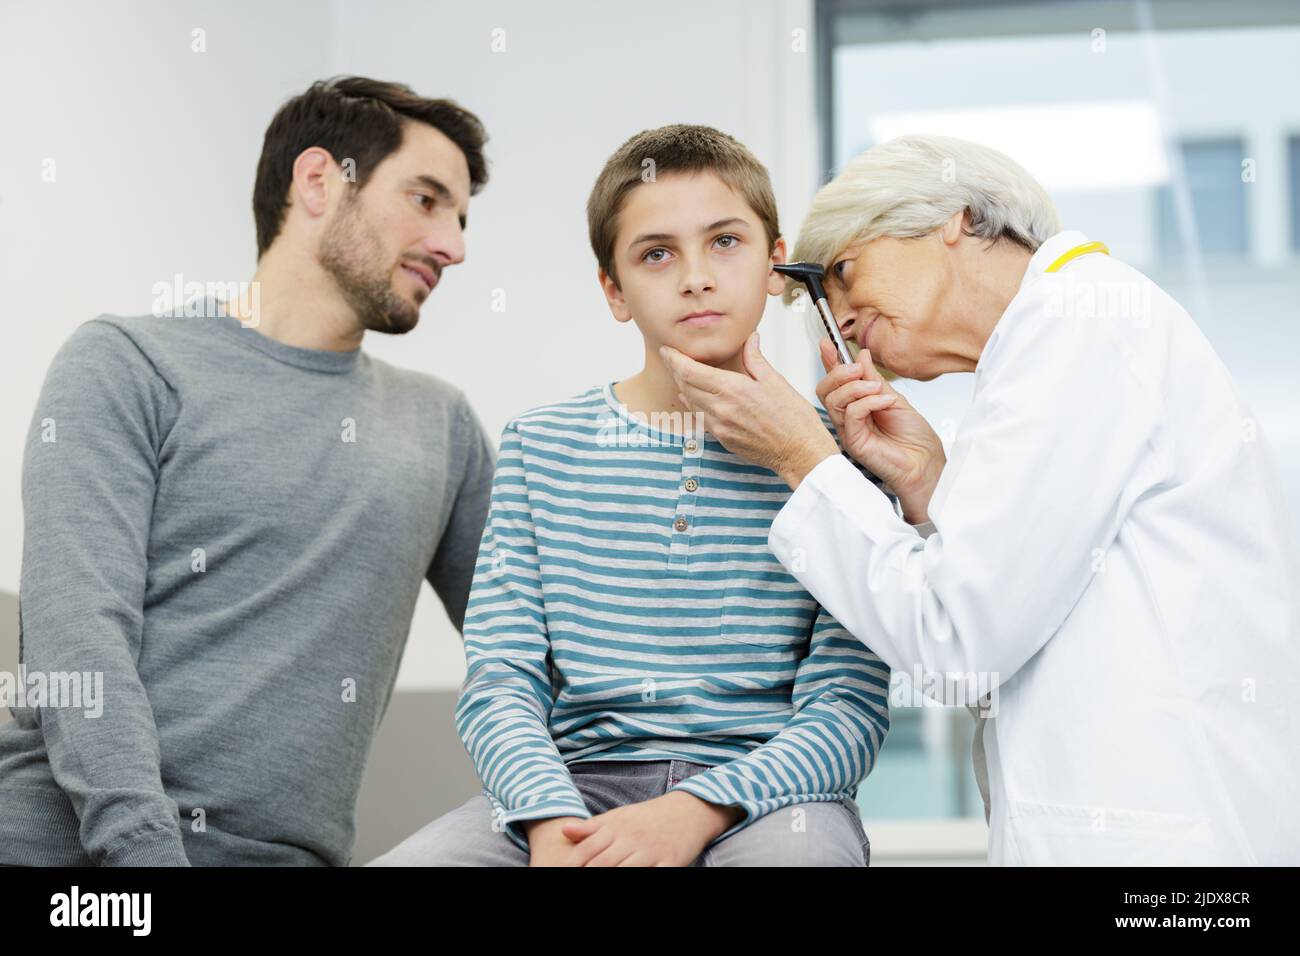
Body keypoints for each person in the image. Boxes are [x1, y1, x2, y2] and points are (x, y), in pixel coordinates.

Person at [660, 133, 1300, 866]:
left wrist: (800, 457)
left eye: (842, 270)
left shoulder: (1080, 324)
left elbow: (957, 647)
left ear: (954, 220)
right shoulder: (1065, 331)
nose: (839, 319)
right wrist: (930, 485)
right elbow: (1023, 595)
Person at [0, 77, 495, 866]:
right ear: (319, 182)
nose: (456, 246)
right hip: (68, 861)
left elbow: (539, 657)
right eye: (427, 199)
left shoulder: (443, 428)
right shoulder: (128, 363)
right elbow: (76, 641)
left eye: (463, 219)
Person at [370, 125, 891, 867]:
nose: (696, 278)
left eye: (725, 242)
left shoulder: (840, 458)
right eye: (656, 254)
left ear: (777, 266)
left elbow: (847, 709)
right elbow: (501, 680)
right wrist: (550, 823)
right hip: (567, 788)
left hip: (770, 801)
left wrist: (696, 810)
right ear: (614, 291)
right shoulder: (540, 446)